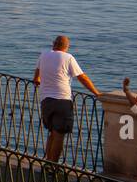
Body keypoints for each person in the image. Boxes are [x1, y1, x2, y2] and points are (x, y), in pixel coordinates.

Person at [33, 35, 102, 163]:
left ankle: (48, 162)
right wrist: (97, 93)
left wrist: (39, 80)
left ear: (53, 44)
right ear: (67, 47)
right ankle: (53, 165)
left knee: (52, 133)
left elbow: (36, 76)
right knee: (59, 135)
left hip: (46, 100)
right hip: (62, 100)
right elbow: (82, 78)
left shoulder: (44, 55)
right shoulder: (68, 58)